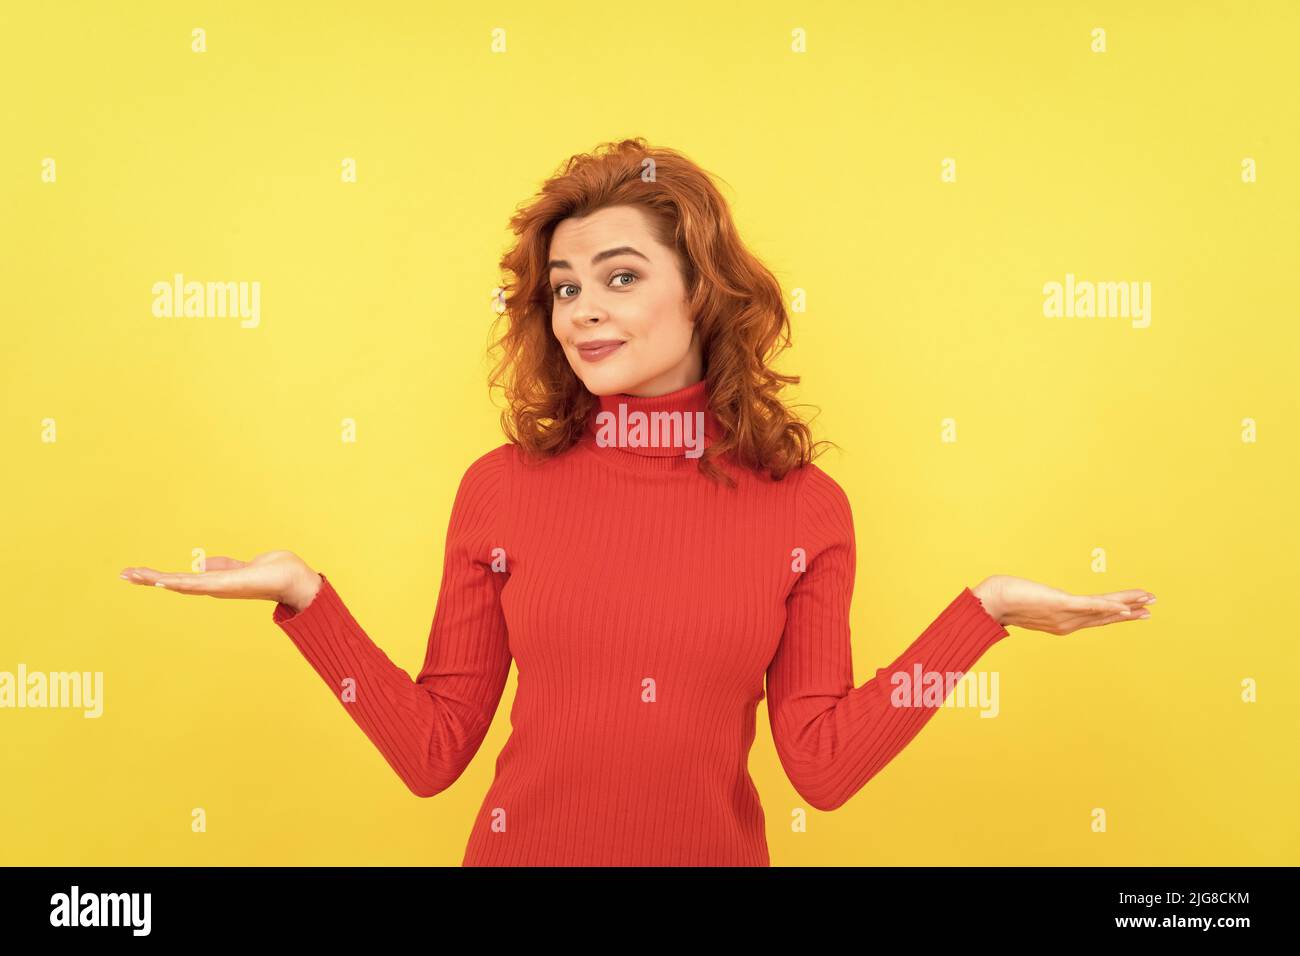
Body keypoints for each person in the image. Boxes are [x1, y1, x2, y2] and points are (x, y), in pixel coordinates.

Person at [120, 138, 1155, 866]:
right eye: (564, 287)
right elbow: (433, 751)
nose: (583, 311)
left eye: (617, 276)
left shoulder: (805, 508)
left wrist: (985, 613)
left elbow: (825, 767)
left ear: (701, 288)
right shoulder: (501, 491)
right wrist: (306, 599)